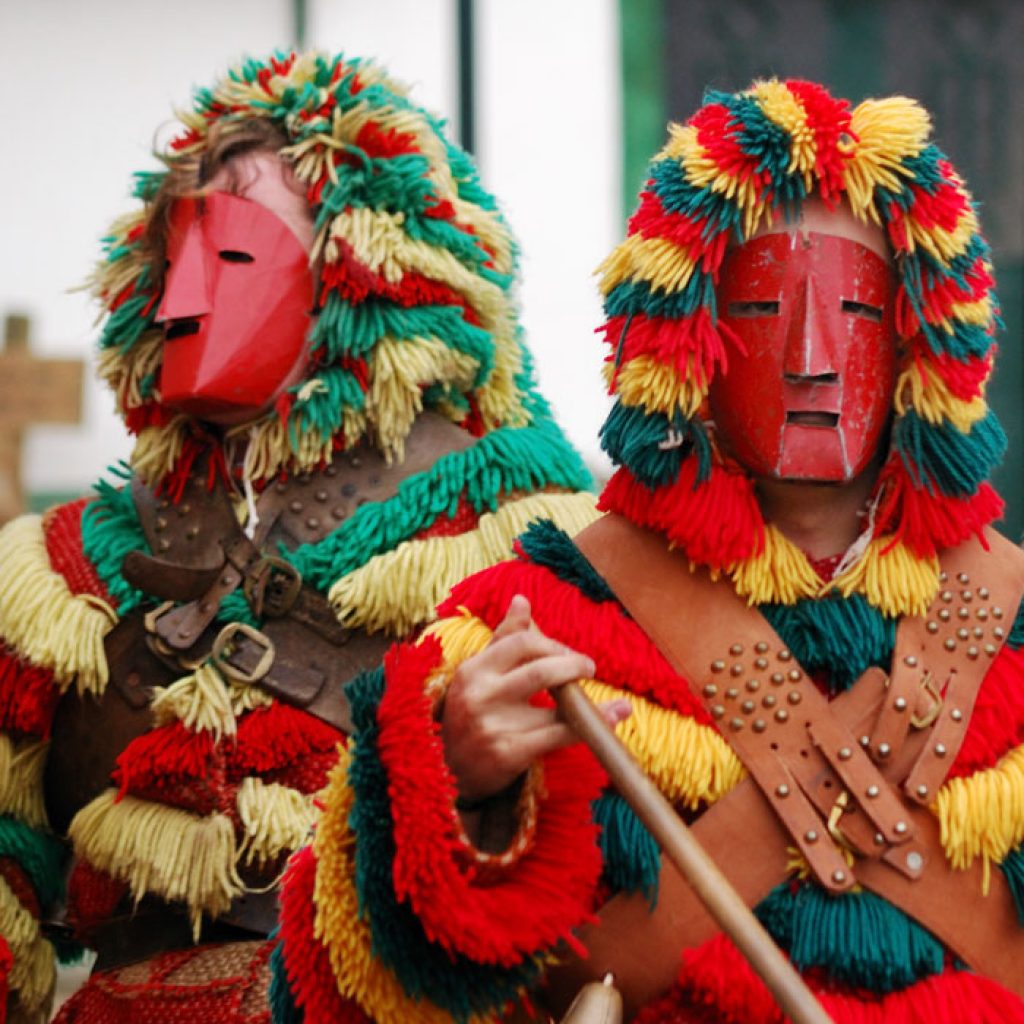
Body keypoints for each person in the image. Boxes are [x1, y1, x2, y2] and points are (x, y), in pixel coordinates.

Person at [271, 80, 1024, 1022]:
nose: (813, 356)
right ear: (684, 341)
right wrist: (451, 786)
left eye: (861, 315)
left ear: (925, 341)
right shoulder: (533, 622)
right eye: (759, 313)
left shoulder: (1015, 615)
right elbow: (328, 983)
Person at [0, 50, 600, 1023]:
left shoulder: (511, 537)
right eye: (174, 262)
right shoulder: (58, 573)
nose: (184, 300)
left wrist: (466, 781)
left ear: (359, 278)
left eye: (232, 258)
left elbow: (587, 885)